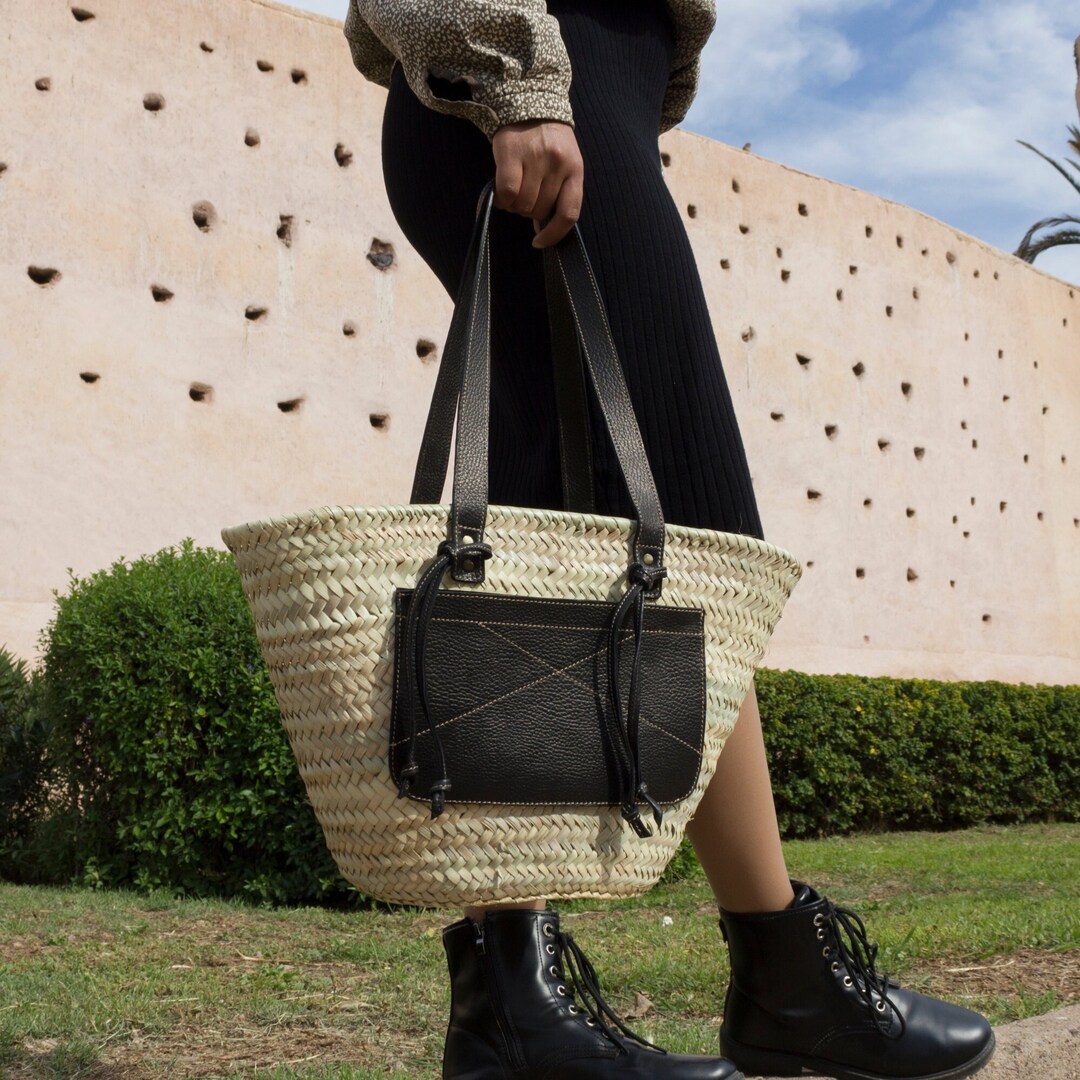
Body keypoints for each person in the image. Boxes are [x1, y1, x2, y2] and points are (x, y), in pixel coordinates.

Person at [342, 2, 997, 1078]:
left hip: (585, 84)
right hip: (535, 72)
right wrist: (515, 81)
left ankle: (530, 1005)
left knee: (594, 534)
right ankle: (755, 977)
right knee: (680, 525)